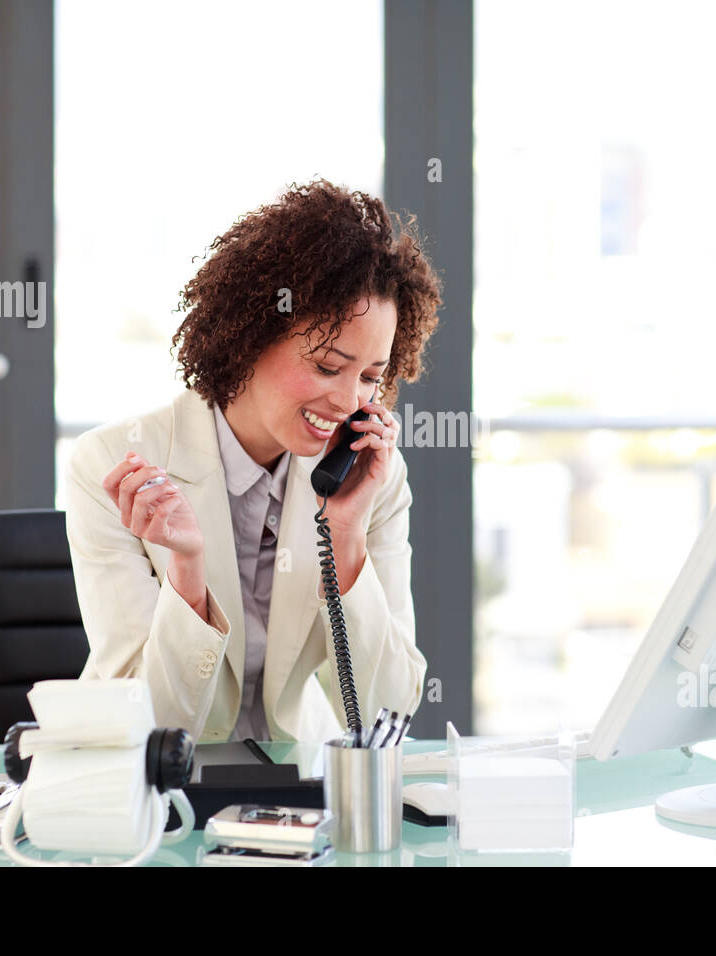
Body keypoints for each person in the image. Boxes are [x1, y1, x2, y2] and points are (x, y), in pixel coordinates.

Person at [65, 179, 443, 745]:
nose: (349, 403)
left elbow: (385, 715)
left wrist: (345, 540)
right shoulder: (111, 466)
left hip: (300, 795)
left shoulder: (372, 479)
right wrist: (187, 576)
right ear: (249, 337)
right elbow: (147, 726)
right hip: (151, 801)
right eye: (326, 366)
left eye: (370, 377)